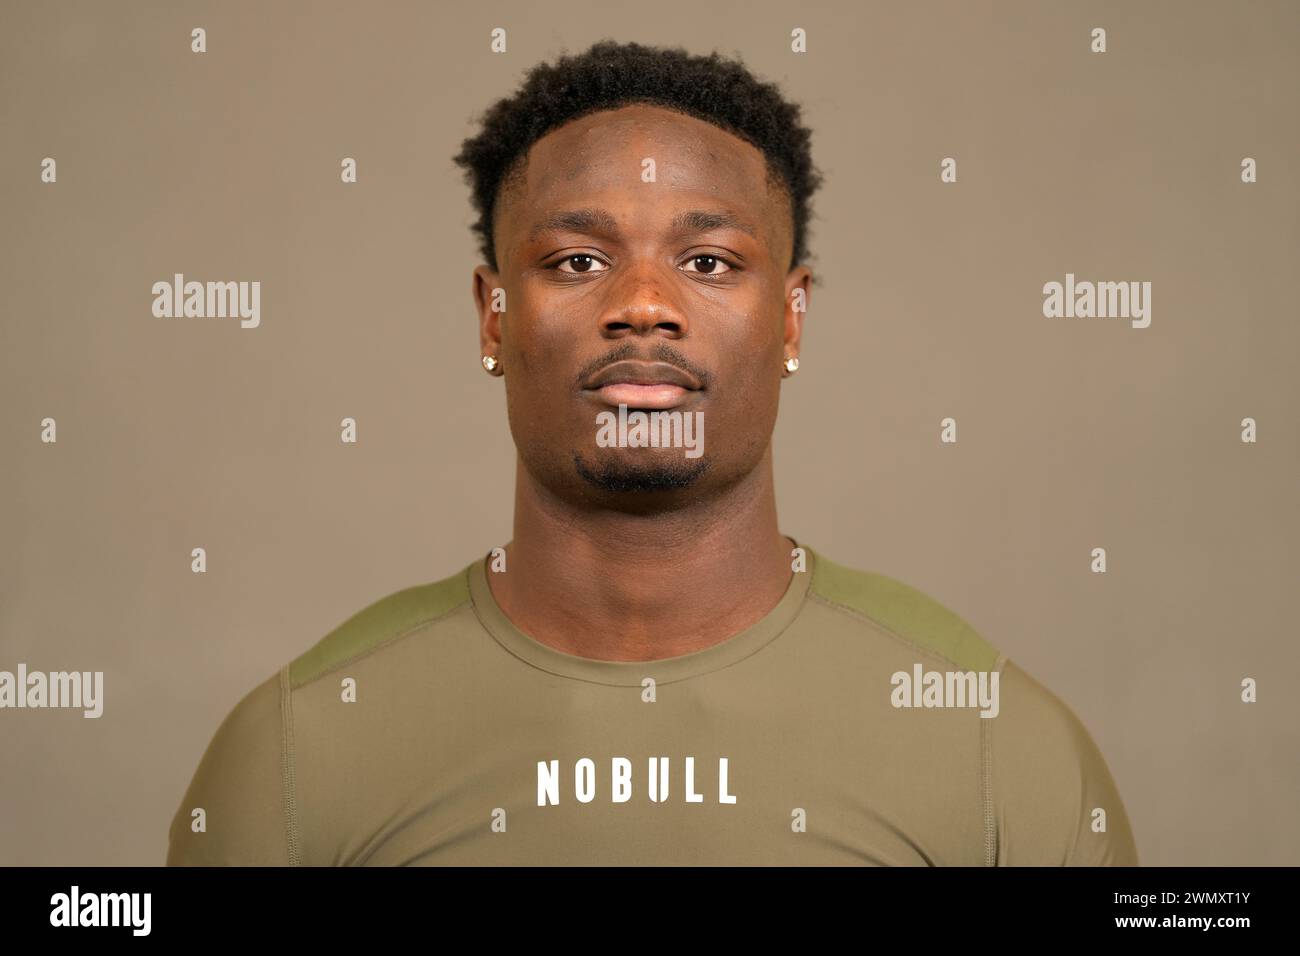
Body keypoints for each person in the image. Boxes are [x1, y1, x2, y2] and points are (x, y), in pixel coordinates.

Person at [167, 39, 1137, 866]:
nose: (642, 303)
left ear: (791, 317)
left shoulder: (988, 738)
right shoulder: (305, 746)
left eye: (707, 261)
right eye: (576, 261)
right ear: (493, 315)